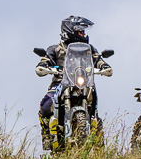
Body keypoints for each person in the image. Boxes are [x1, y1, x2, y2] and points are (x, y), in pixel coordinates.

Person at [36, 15, 111, 145]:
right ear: (70, 32)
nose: (84, 34)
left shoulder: (89, 49)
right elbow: (46, 59)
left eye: (84, 31)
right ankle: (47, 135)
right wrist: (44, 65)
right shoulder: (55, 49)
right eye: (81, 31)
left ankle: (98, 140)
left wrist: (104, 66)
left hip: (84, 84)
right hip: (60, 84)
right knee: (45, 106)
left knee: (94, 112)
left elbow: (98, 59)